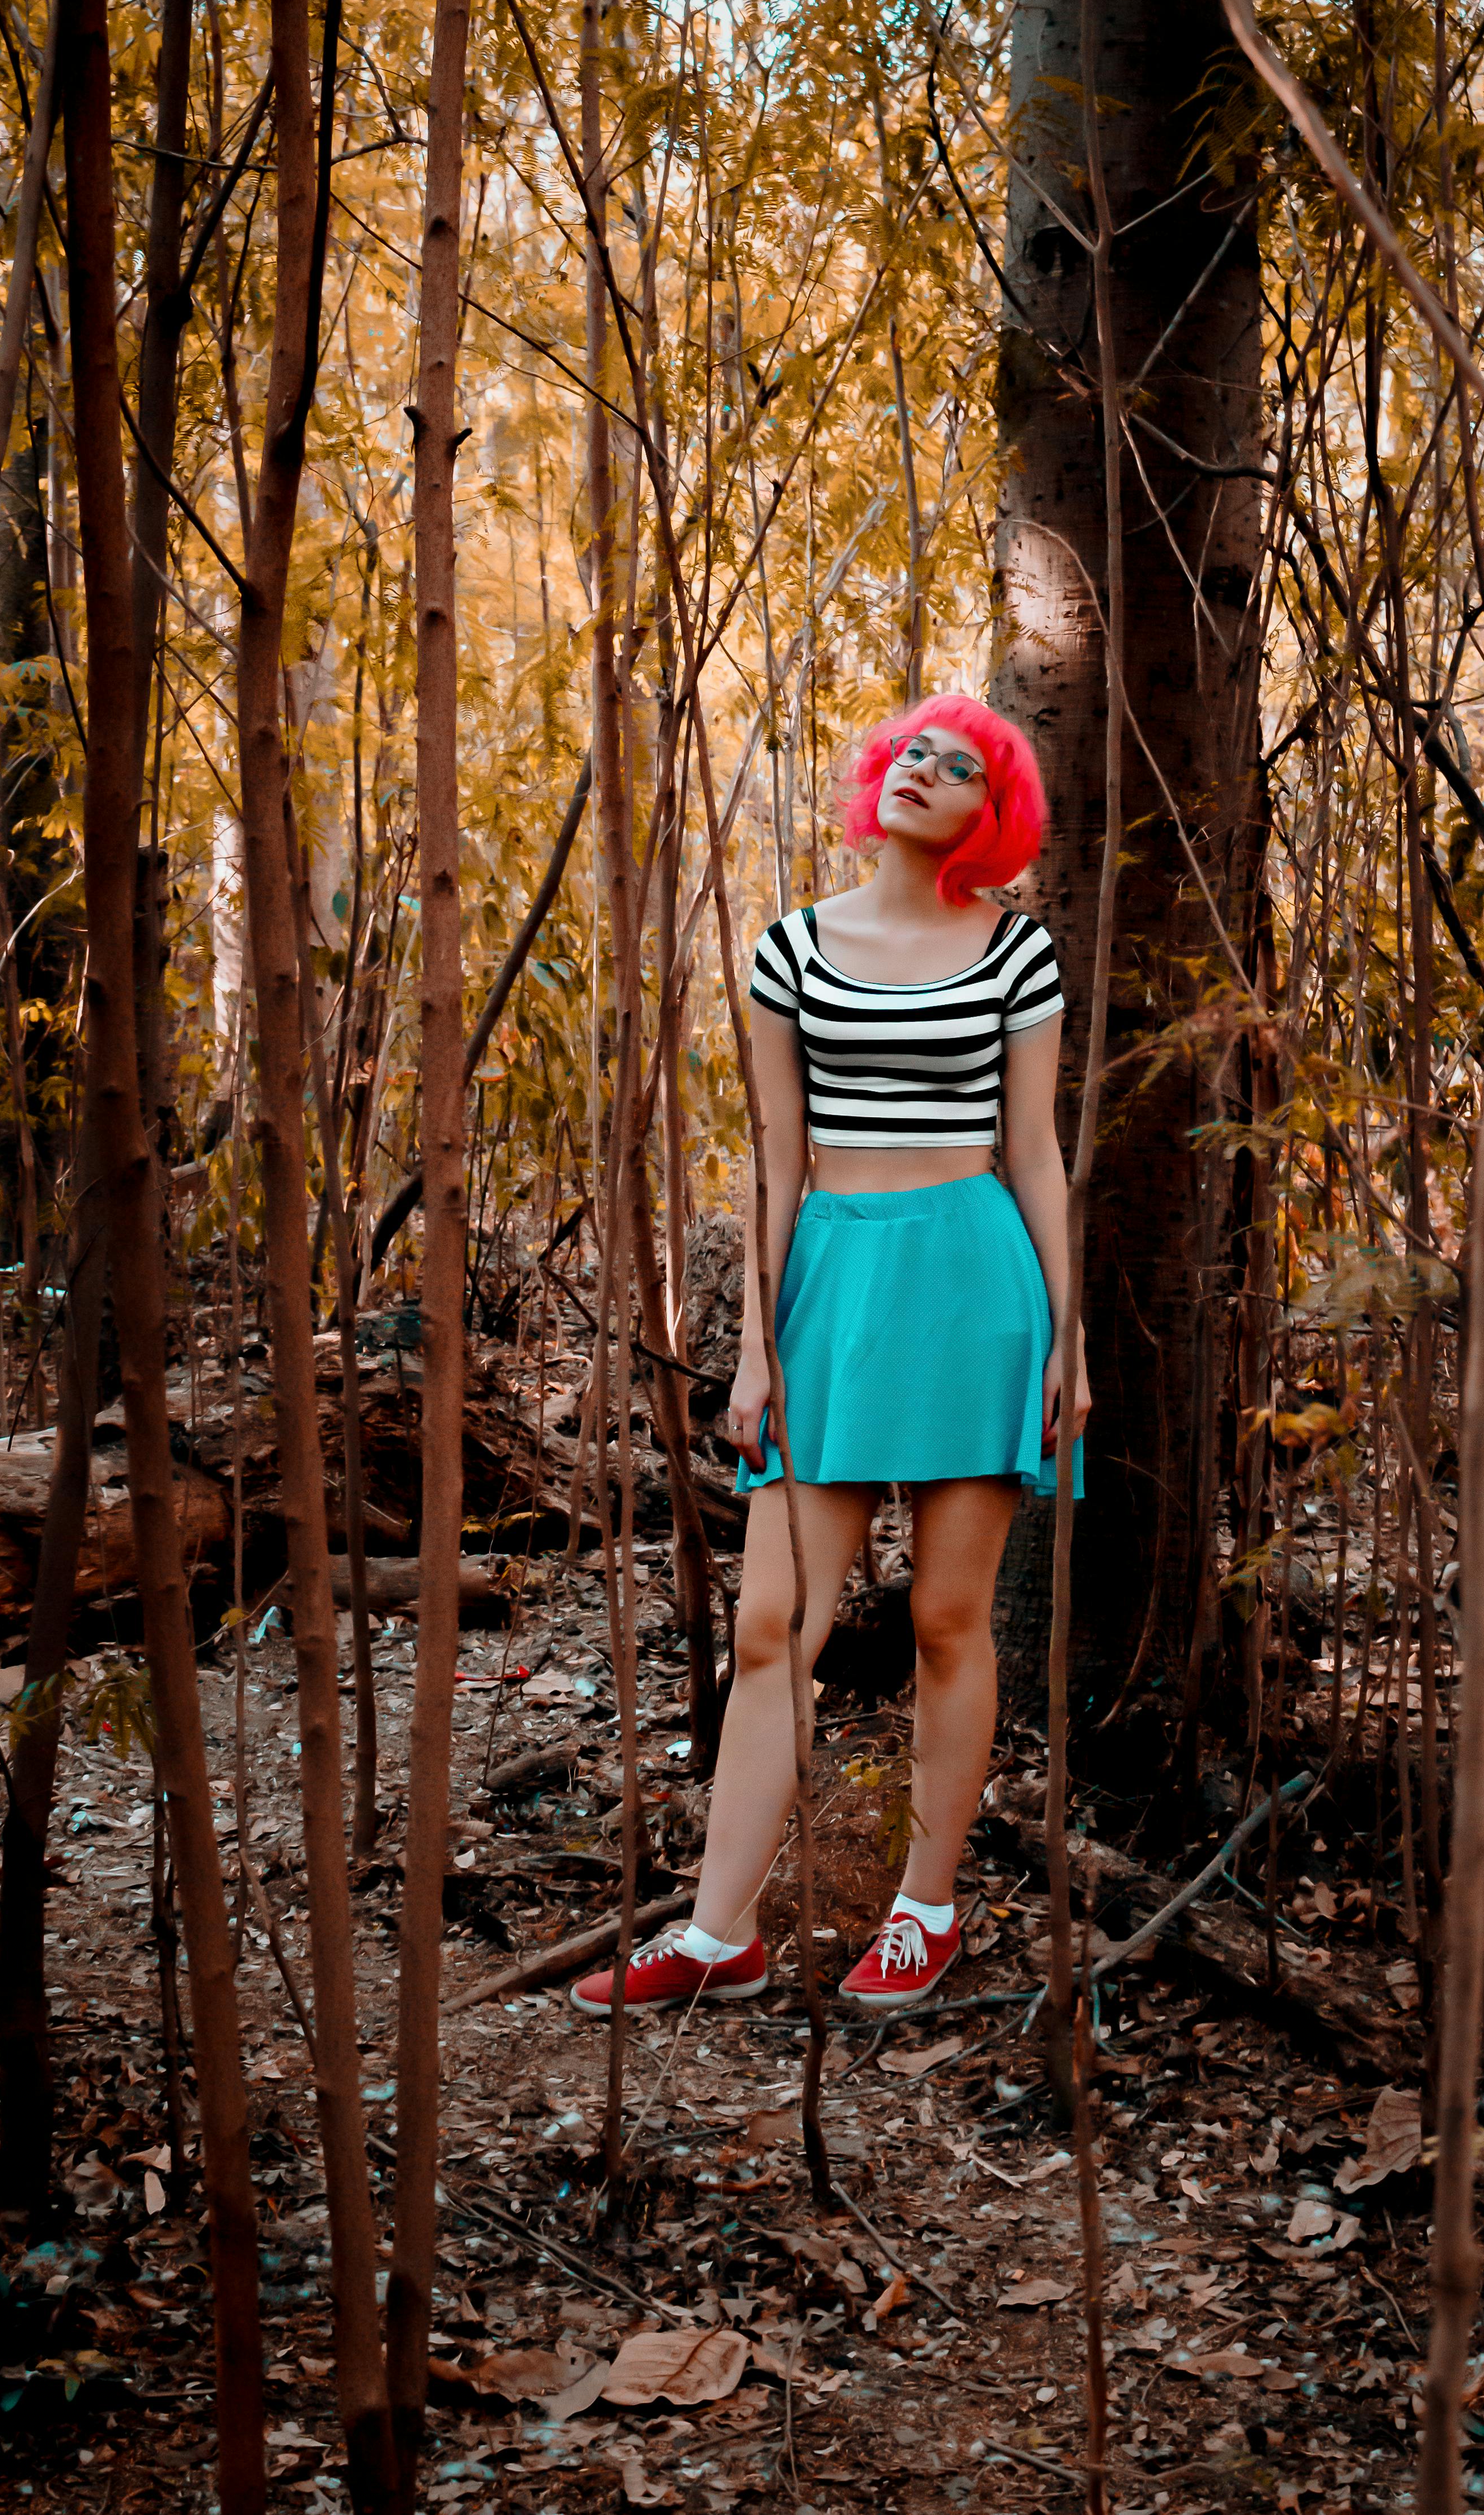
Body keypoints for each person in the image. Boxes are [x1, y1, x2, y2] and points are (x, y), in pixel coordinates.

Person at [572, 694, 1088, 2019]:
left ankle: (927, 1909)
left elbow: (1032, 1151)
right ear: (881, 776)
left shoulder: (1017, 955)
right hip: (833, 1289)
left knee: (947, 1617)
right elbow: (775, 1157)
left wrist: (1069, 1335)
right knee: (770, 1626)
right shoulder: (792, 948)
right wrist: (754, 1346)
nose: (926, 770)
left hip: (979, 1286)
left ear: (994, 815)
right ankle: (717, 1930)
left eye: (962, 766)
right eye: (914, 750)